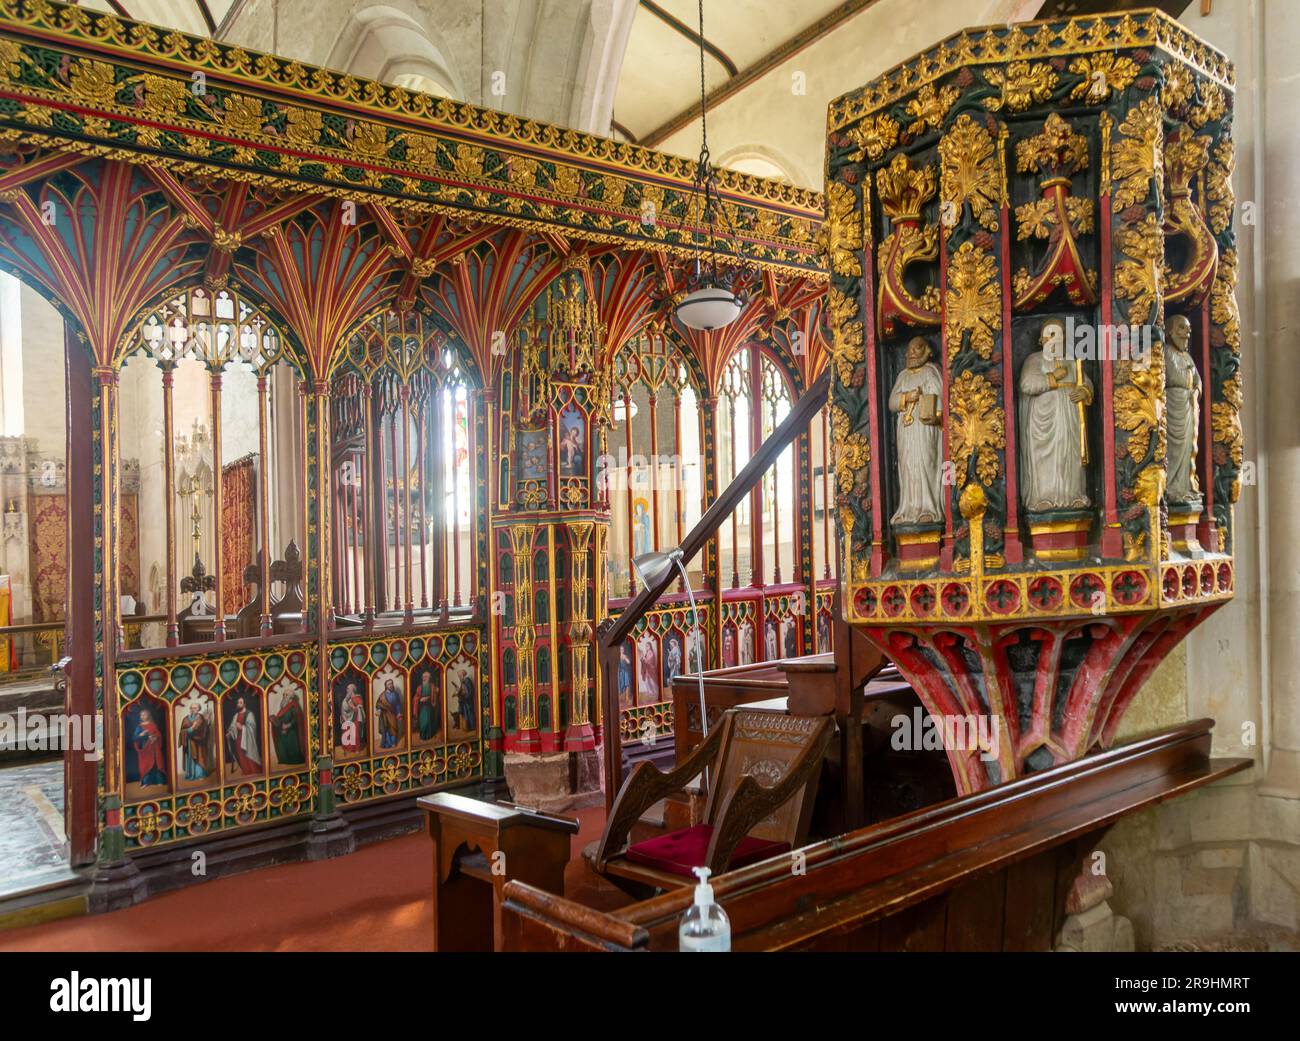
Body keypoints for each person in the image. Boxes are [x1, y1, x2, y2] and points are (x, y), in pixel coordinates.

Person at [1019, 318, 1093, 511]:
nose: (1054, 340)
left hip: (1070, 415)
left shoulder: (1071, 359)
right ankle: (1042, 497)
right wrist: (1052, 378)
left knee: (1071, 453)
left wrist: (1085, 391)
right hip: (1043, 418)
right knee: (1045, 455)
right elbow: (1027, 384)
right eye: (1050, 335)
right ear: (1041, 340)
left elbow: (1086, 381)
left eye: (1059, 335)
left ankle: (1074, 495)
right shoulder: (1035, 360)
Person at [888, 337, 944, 524]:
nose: (911, 353)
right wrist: (906, 397)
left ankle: (928, 508)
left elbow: (940, 400)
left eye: (917, 348)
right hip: (906, 429)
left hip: (925, 427)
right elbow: (892, 402)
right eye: (909, 349)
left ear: (928, 351)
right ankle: (909, 510)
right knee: (908, 467)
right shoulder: (903, 376)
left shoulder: (931, 372)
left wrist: (936, 415)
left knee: (925, 462)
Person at [1165, 313, 1202, 506]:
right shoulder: (1167, 353)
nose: (1187, 333)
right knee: (1175, 449)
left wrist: (1196, 390)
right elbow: (1171, 377)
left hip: (1188, 405)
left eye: (1188, 329)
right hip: (1174, 404)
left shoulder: (1186, 356)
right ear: (1170, 331)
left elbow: (1197, 382)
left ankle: (1185, 486)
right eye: (1182, 327)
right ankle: (1172, 488)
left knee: (1188, 447)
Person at [225, 695, 262, 775]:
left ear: (244, 704)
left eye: (240, 703)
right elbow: (233, 727)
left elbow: (252, 727)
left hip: (247, 739)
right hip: (238, 739)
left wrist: (242, 727)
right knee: (241, 755)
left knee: (248, 755)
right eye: (238, 703)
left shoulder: (249, 714)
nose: (238, 704)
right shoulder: (236, 715)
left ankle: (254, 771)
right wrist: (230, 733)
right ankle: (246, 771)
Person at [132, 707, 167, 788]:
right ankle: (145, 782)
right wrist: (142, 735)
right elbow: (134, 738)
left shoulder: (153, 725)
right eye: (141, 715)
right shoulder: (139, 727)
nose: (142, 716)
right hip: (145, 750)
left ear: (148, 715)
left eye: (144, 715)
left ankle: (159, 781)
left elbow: (158, 735)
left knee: (157, 764)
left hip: (155, 749)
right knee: (146, 765)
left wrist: (155, 737)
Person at [270, 688, 306, 766]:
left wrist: (288, 725)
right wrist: (275, 720)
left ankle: (294, 761)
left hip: (291, 731)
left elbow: (297, 719)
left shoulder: (294, 706)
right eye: (284, 695)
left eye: (286, 695)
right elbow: (281, 717)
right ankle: (284, 760)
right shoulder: (284, 705)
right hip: (282, 730)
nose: (284, 696)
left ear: (291, 697)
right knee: (282, 745)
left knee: (292, 746)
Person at [178, 701, 212, 781]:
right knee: (190, 758)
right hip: (189, 743)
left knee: (199, 757)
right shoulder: (186, 719)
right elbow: (182, 731)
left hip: (198, 743)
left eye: (195, 708)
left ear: (198, 709)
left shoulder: (201, 718)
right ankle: (190, 774)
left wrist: (206, 721)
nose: (193, 709)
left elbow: (204, 730)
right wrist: (191, 729)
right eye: (191, 708)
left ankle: (199, 774)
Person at [375, 678, 403, 749]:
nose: (391, 685)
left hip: (393, 714)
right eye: (389, 684)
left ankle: (393, 742)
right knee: (386, 729)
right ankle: (388, 743)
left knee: (393, 728)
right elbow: (378, 704)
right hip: (384, 715)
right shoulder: (382, 695)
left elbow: (398, 704)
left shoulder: (396, 694)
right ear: (386, 686)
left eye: (392, 683)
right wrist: (379, 710)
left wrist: (399, 712)